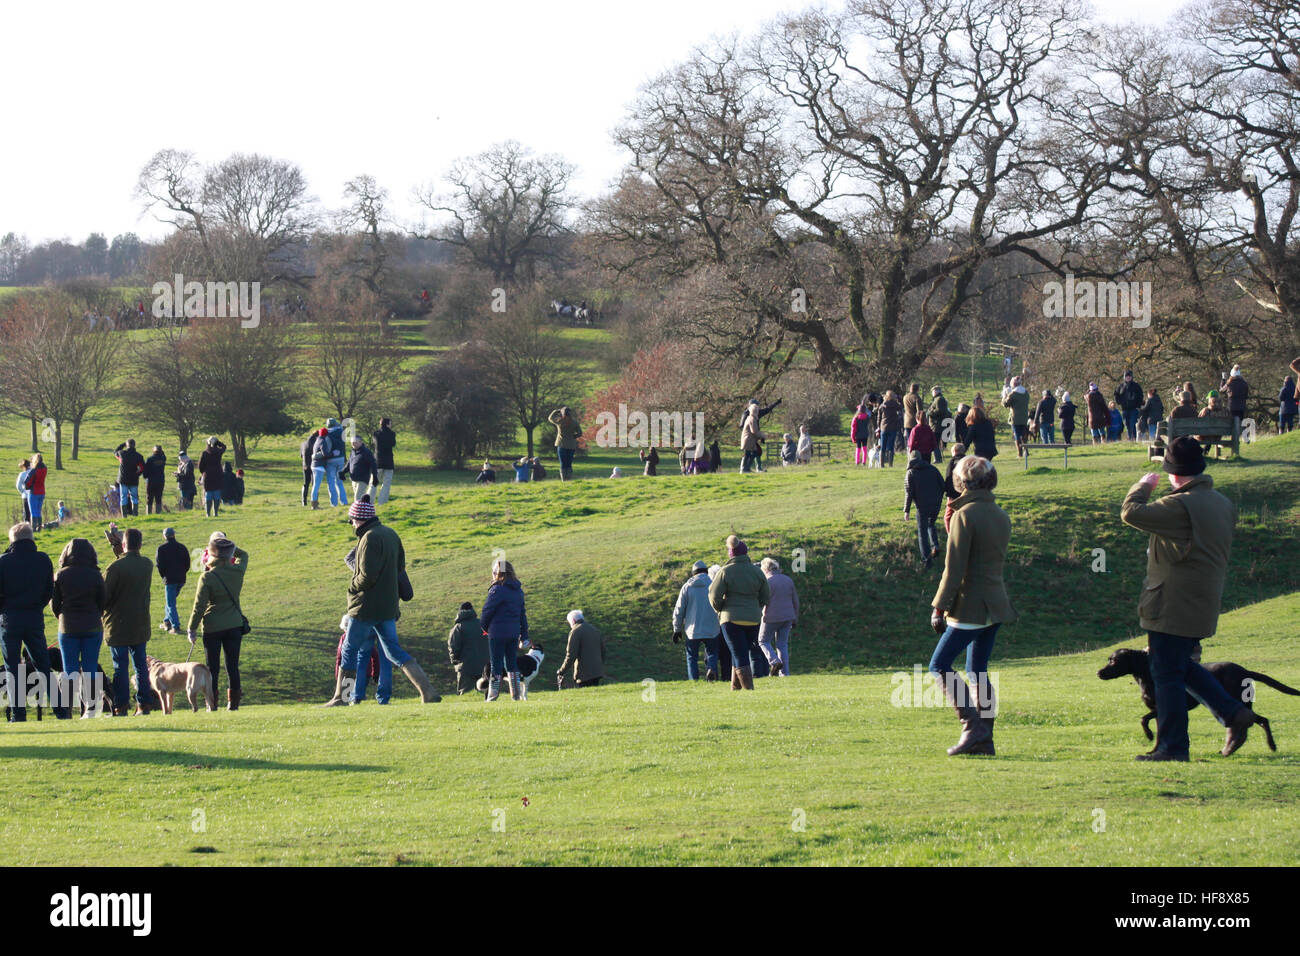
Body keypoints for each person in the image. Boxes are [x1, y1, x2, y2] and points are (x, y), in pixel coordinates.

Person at [1120, 436, 1254, 760]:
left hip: (1170, 604)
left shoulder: (1179, 505)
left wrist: (1143, 485)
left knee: (1165, 675)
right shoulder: (1222, 503)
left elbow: (1130, 513)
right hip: (1202, 602)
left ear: (1173, 473)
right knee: (1179, 665)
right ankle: (1232, 712)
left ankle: (1172, 747)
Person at [928, 456, 1016, 756]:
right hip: (996, 602)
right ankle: (985, 738)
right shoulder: (1000, 514)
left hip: (970, 604)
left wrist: (939, 607)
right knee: (978, 670)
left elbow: (954, 570)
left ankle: (972, 727)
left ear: (961, 481)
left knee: (939, 665)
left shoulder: (965, 515)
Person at [331, 500, 439, 706]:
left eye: (352, 520)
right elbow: (400, 569)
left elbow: (367, 576)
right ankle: (428, 691)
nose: (352, 524)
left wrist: (352, 586)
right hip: (388, 607)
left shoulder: (369, 539)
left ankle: (342, 698)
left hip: (365, 607)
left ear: (358, 519)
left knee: (349, 649)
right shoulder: (391, 534)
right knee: (394, 651)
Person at [186, 532, 249, 710]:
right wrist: (230, 548)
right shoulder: (237, 571)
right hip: (234, 624)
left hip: (212, 627)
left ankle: (211, 704)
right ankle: (233, 703)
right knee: (232, 667)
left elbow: (199, 607)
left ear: (211, 554)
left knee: (212, 669)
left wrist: (191, 628)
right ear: (228, 555)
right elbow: (243, 555)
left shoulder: (207, 577)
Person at [0, 523, 55, 722]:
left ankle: (18, 714)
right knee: (43, 665)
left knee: (12, 668)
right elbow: (49, 590)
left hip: (10, 619)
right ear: (31, 538)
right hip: (33, 617)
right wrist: (37, 606)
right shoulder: (43, 559)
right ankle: (61, 710)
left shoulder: (3, 562)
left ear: (12, 539)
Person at [103, 528, 160, 716]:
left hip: (117, 624)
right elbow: (130, 563)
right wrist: (120, 546)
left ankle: (121, 705)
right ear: (141, 545)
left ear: (124, 544)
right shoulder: (147, 564)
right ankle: (144, 704)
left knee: (120, 666)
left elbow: (104, 597)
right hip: (140, 623)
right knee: (141, 666)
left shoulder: (114, 568)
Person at [52, 538, 106, 718]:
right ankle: (91, 709)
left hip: (68, 627)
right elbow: (102, 601)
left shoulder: (61, 575)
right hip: (92, 626)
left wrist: (62, 616)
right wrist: (95, 614)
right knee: (90, 668)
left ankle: (67, 709)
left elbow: (55, 604)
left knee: (70, 670)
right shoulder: (95, 575)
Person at [708, 535, 769, 691]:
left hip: (731, 619)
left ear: (731, 554)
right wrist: (755, 607)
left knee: (739, 654)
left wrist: (721, 608)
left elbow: (713, 595)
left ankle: (749, 689)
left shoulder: (725, 571)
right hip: (753, 619)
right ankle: (736, 688)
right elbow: (766, 596)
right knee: (741, 653)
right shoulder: (757, 572)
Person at [480, 558, 528, 701]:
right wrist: (524, 635)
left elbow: (487, 611)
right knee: (512, 664)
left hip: (497, 633)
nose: (492, 575)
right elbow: (522, 615)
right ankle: (516, 695)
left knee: (496, 664)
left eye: (494, 572)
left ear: (498, 573)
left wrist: (483, 627)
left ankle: (493, 695)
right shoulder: (518, 591)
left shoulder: (496, 590)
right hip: (513, 633)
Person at [672, 560, 721, 681]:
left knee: (692, 657)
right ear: (706, 571)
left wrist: (677, 629)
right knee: (712, 653)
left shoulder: (687, 587)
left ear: (693, 573)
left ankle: (694, 680)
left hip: (692, 630)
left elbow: (679, 610)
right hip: (712, 628)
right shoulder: (713, 584)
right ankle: (711, 670)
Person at [757, 557, 798, 676]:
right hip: (788, 616)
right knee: (782, 644)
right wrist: (795, 617)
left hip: (771, 617)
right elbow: (795, 600)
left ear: (765, 569)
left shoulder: (767, 582)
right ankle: (785, 673)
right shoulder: (788, 580)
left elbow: (762, 601)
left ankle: (774, 661)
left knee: (763, 640)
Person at [904, 449, 945, 568]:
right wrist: (938, 498)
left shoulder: (911, 473)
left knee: (922, 533)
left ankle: (926, 560)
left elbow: (908, 493)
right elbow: (942, 485)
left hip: (922, 507)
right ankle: (935, 546)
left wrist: (906, 511)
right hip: (936, 504)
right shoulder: (933, 469)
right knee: (931, 524)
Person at [556, 609, 606, 689]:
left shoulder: (575, 631)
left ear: (573, 620)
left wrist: (562, 671)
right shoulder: (594, 629)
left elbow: (571, 655)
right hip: (597, 672)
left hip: (584, 675)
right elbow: (603, 651)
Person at [447, 601, 488, 695]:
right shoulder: (483, 625)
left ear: (460, 612)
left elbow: (453, 646)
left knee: (465, 694)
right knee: (484, 692)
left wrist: (454, 660)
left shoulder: (458, 628)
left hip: (466, 667)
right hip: (485, 666)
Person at [155, 528, 188, 636]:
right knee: (170, 602)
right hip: (181, 579)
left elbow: (160, 565)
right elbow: (187, 563)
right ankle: (167, 622)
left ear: (165, 536)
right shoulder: (182, 547)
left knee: (170, 603)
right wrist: (183, 573)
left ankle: (176, 626)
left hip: (170, 580)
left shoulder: (161, 548)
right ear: (174, 535)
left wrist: (164, 576)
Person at [311, 420, 349, 508]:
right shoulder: (342, 432)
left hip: (331, 460)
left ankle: (334, 503)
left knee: (331, 482)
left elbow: (326, 449)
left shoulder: (327, 434)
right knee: (339, 482)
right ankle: (344, 501)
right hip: (341, 458)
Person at [548, 407, 582, 481]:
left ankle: (564, 479)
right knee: (569, 463)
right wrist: (574, 436)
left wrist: (556, 411)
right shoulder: (574, 422)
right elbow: (580, 433)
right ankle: (569, 478)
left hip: (561, 444)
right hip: (571, 445)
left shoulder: (559, 421)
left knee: (563, 463)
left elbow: (550, 418)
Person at [114, 439, 145, 517]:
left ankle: (124, 516)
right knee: (134, 497)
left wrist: (123, 444)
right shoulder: (139, 456)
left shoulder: (122, 453)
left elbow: (115, 452)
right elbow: (142, 468)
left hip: (123, 479)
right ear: (135, 445)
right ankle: (135, 514)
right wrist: (137, 474)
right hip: (133, 480)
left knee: (123, 497)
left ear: (127, 445)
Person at [1000, 376, 1030, 457]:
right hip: (1024, 418)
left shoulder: (1013, 394)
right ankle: (1026, 450)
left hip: (1015, 418)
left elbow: (1005, 404)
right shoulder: (1026, 393)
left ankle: (1019, 453)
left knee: (1017, 436)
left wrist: (1005, 396)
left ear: (1014, 384)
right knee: (1024, 435)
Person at [199, 436, 227, 517]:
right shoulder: (218, 451)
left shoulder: (205, 453)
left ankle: (208, 513)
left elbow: (201, 466)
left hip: (208, 475)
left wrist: (204, 472)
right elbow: (224, 447)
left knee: (208, 494)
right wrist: (218, 442)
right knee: (217, 494)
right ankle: (216, 512)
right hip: (218, 474)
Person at [942, 443, 966, 534]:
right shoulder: (968, 461)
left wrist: (948, 494)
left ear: (954, 451)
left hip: (954, 495)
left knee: (948, 517)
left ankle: (951, 536)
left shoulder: (952, 462)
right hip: (967, 494)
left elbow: (949, 478)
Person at [1115, 370, 1144, 441]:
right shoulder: (1120, 386)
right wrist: (1119, 402)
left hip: (1134, 409)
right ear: (1124, 377)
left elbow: (1141, 396)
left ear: (1131, 377)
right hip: (1124, 409)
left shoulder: (1136, 386)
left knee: (1133, 424)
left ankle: (1133, 438)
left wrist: (1138, 406)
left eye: (1129, 376)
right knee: (1127, 425)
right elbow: (1116, 394)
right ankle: (1129, 438)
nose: (1128, 378)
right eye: (1126, 376)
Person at [373, 418, 396, 505]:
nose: (391, 425)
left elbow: (375, 444)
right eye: (390, 423)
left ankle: (370, 501)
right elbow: (393, 444)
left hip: (378, 460)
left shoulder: (376, 433)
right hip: (389, 461)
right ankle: (382, 502)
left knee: (374, 482)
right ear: (387, 424)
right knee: (386, 483)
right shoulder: (392, 433)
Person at [348, 437, 379, 502]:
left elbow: (373, 465)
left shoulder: (366, 452)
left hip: (362, 479)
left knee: (357, 498)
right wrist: (342, 472)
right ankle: (365, 508)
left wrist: (375, 477)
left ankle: (359, 511)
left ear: (361, 442)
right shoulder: (353, 451)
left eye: (355, 442)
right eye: (352, 443)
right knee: (358, 498)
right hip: (354, 479)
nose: (353, 444)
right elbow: (349, 463)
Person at [878, 390, 903, 467]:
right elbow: (901, 406)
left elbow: (879, 418)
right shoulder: (895, 404)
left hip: (883, 427)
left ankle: (881, 464)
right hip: (893, 427)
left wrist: (878, 427)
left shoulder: (882, 405)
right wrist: (899, 399)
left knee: (883, 446)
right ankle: (890, 464)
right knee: (891, 446)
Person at [1224, 364, 1249, 440]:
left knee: (1232, 423)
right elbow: (1246, 395)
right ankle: (1244, 437)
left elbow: (1221, 390)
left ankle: (1234, 439)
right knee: (1240, 422)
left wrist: (1223, 379)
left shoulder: (1229, 383)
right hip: (1241, 407)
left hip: (1232, 407)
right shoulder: (1244, 383)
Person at [23, 453, 47, 532]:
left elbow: (27, 481)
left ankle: (33, 528)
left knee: (33, 511)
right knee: (38, 511)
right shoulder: (44, 469)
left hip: (33, 492)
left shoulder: (34, 470)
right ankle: (39, 527)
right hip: (42, 491)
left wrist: (27, 486)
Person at [928, 387, 950, 462]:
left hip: (937, 424)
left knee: (934, 442)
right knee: (935, 442)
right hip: (937, 424)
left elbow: (940, 411)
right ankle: (938, 458)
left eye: (933, 391)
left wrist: (930, 412)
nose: (932, 393)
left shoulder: (939, 399)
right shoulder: (938, 399)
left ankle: (938, 459)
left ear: (936, 391)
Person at [143, 445, 166, 515]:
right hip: (160, 481)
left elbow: (145, 471)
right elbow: (164, 455)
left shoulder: (150, 459)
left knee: (149, 498)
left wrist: (145, 476)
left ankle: (148, 513)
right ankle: (158, 513)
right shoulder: (163, 459)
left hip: (151, 481)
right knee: (158, 498)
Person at [299, 431, 317, 507]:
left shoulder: (303, 444)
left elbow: (301, 455)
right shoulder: (315, 444)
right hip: (314, 465)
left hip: (305, 465)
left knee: (306, 484)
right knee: (314, 484)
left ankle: (304, 501)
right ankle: (314, 501)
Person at [902, 383, 923, 447]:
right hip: (915, 421)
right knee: (916, 439)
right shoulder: (917, 398)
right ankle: (916, 454)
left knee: (909, 439)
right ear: (917, 389)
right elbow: (919, 411)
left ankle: (909, 454)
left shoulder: (905, 397)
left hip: (906, 420)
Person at [15, 459, 31, 524]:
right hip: (35, 494)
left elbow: (18, 486)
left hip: (26, 496)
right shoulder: (34, 472)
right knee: (34, 512)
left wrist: (23, 492)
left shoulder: (22, 474)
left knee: (26, 513)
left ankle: (27, 528)